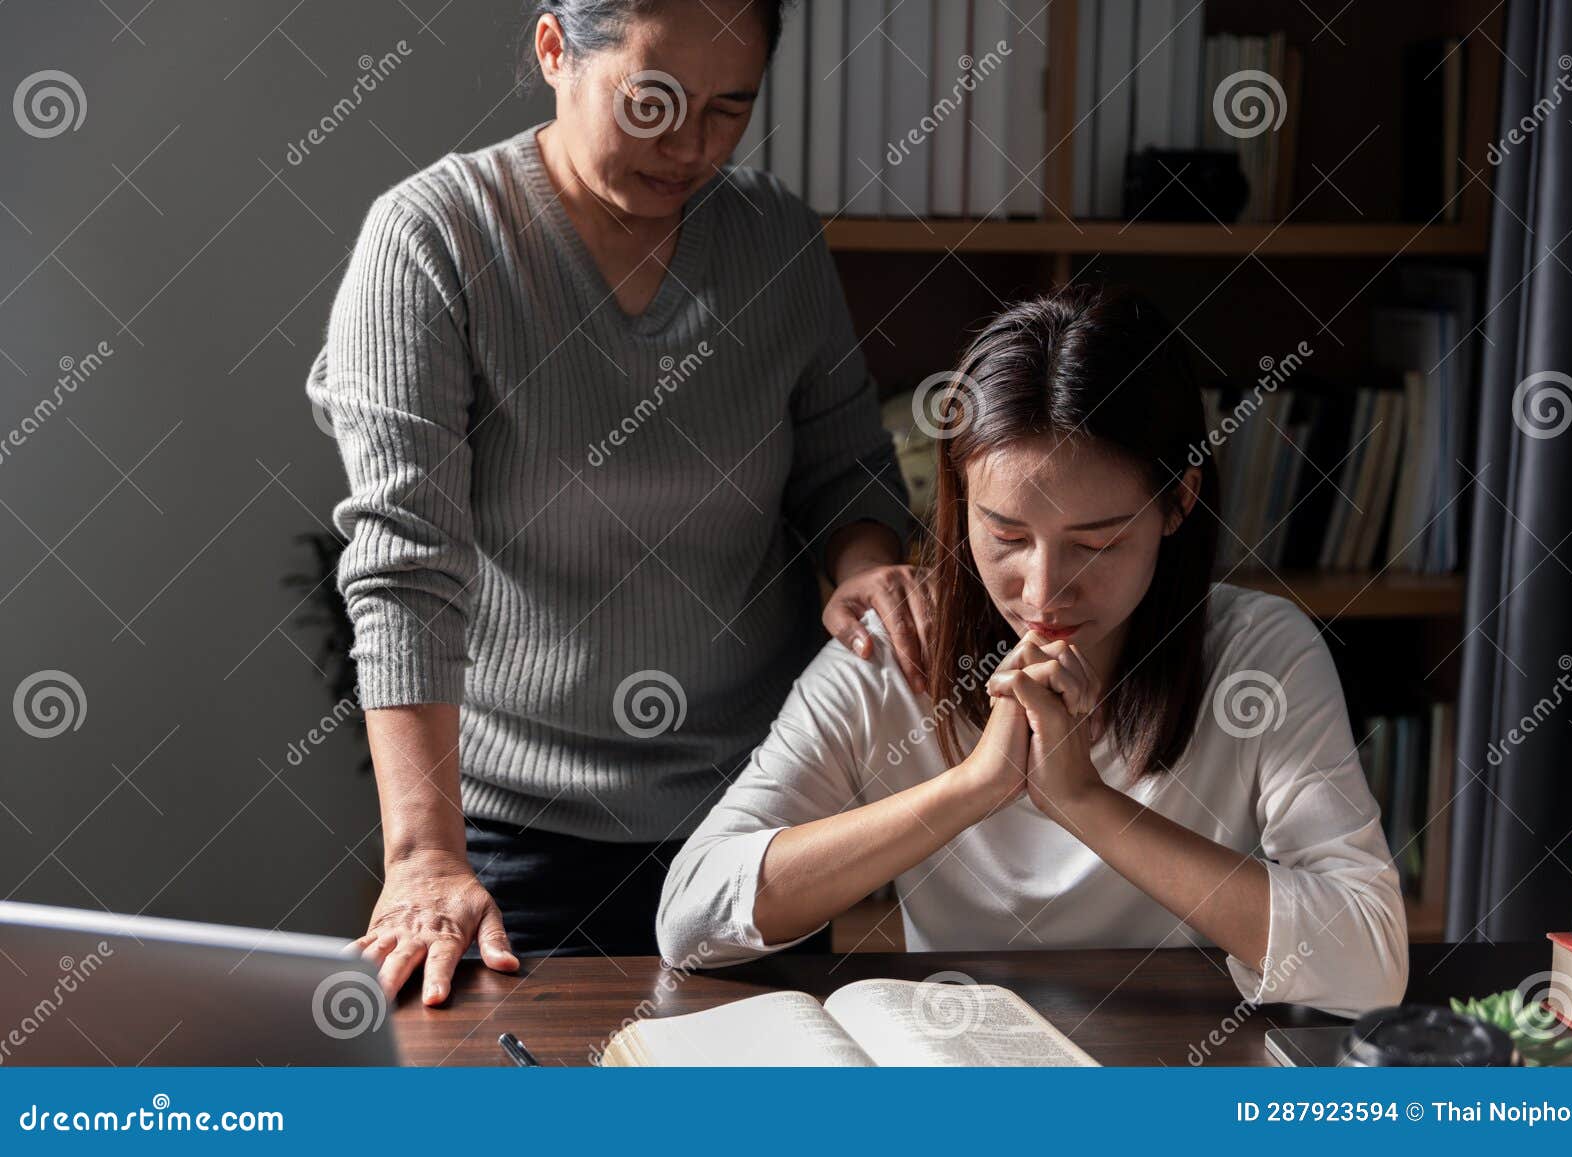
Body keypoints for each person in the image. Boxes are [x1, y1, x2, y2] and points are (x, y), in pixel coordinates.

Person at [306, 0, 929, 1008]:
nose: (688, 148)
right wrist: (424, 854)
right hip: (517, 828)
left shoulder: (772, 236)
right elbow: (405, 563)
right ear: (555, 51)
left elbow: (844, 469)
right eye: (653, 102)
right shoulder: (434, 237)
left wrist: (864, 569)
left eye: (729, 110)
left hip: (759, 811)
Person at [656, 286, 1410, 1018]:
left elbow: (1371, 964)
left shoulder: (1260, 654)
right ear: (959, 493)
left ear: (1179, 502)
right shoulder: (898, 643)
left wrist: (1083, 800)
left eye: (1098, 541)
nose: (1045, 591)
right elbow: (689, 919)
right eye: (1008, 537)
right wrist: (975, 786)